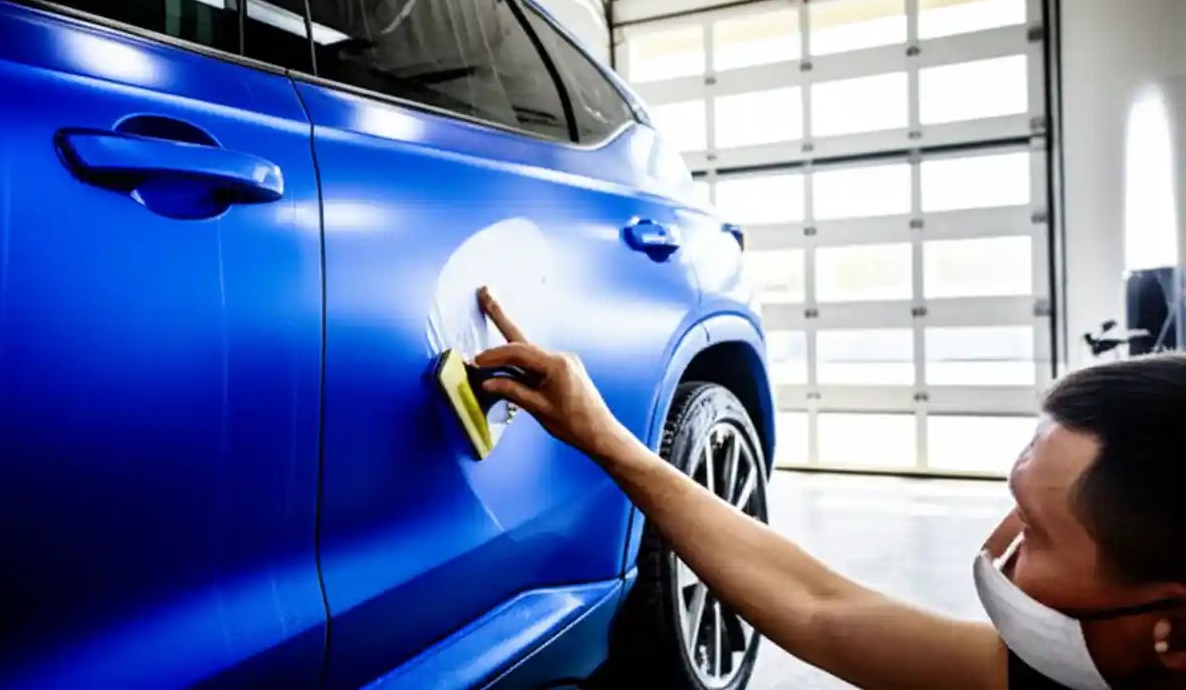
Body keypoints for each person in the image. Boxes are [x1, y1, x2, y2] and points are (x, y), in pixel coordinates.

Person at [473, 287, 1186, 690]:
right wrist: (609, 442)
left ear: (1175, 632)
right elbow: (822, 610)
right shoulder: (1095, 668)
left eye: (1034, 530)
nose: (996, 547)